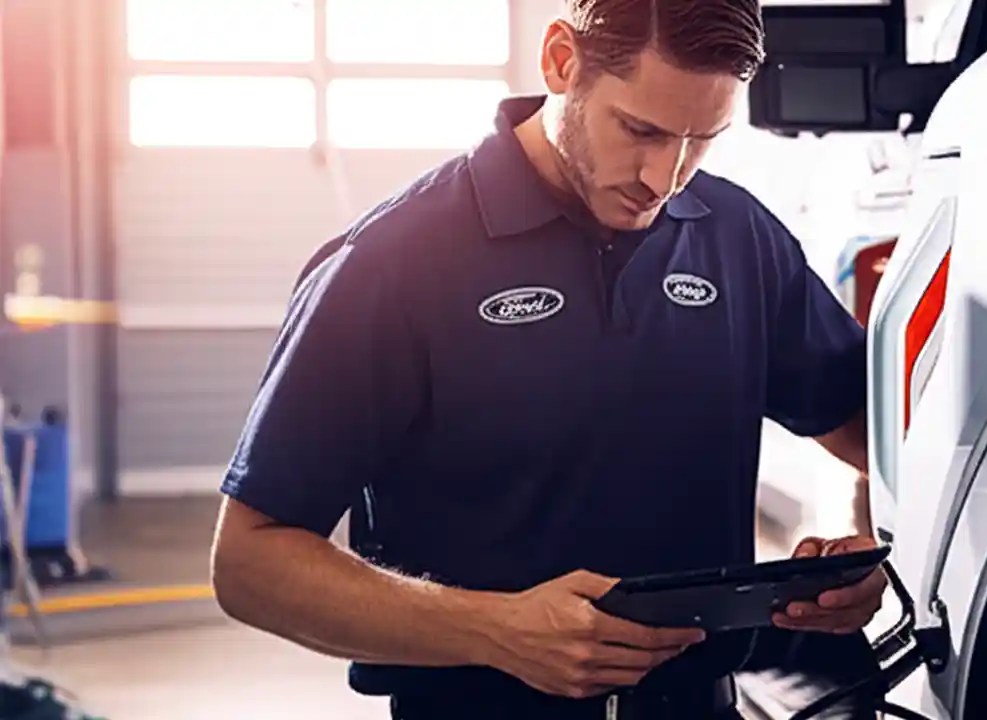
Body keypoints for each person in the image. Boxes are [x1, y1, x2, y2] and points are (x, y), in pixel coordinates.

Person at [210, 1, 889, 717]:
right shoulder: (392, 264)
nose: (664, 178)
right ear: (562, 61)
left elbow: (881, 438)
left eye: (702, 141)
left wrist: (863, 555)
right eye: (641, 130)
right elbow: (250, 562)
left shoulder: (739, 240)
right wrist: (494, 631)